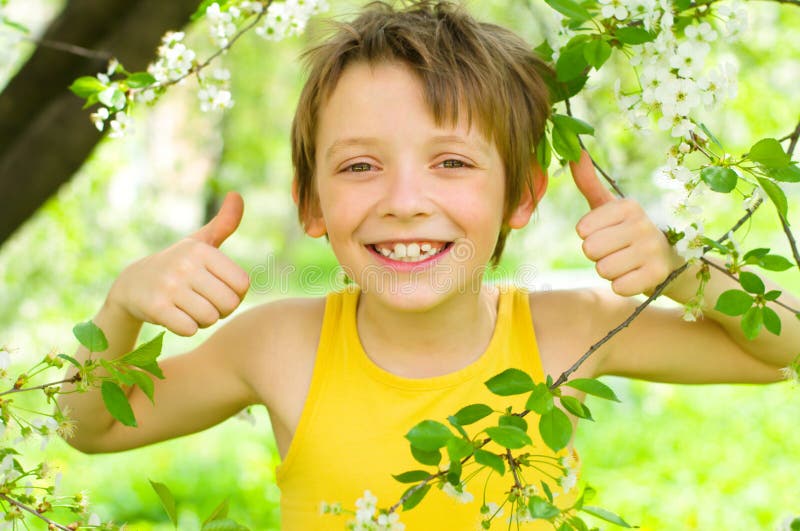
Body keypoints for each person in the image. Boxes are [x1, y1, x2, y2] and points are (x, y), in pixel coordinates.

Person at [59, 1, 799, 529]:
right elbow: (89, 427)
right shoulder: (278, 344)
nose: (405, 200)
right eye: (358, 166)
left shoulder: (566, 329)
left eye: (450, 161)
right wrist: (122, 307)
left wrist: (679, 267)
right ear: (311, 204)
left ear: (521, 194)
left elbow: (780, 352)